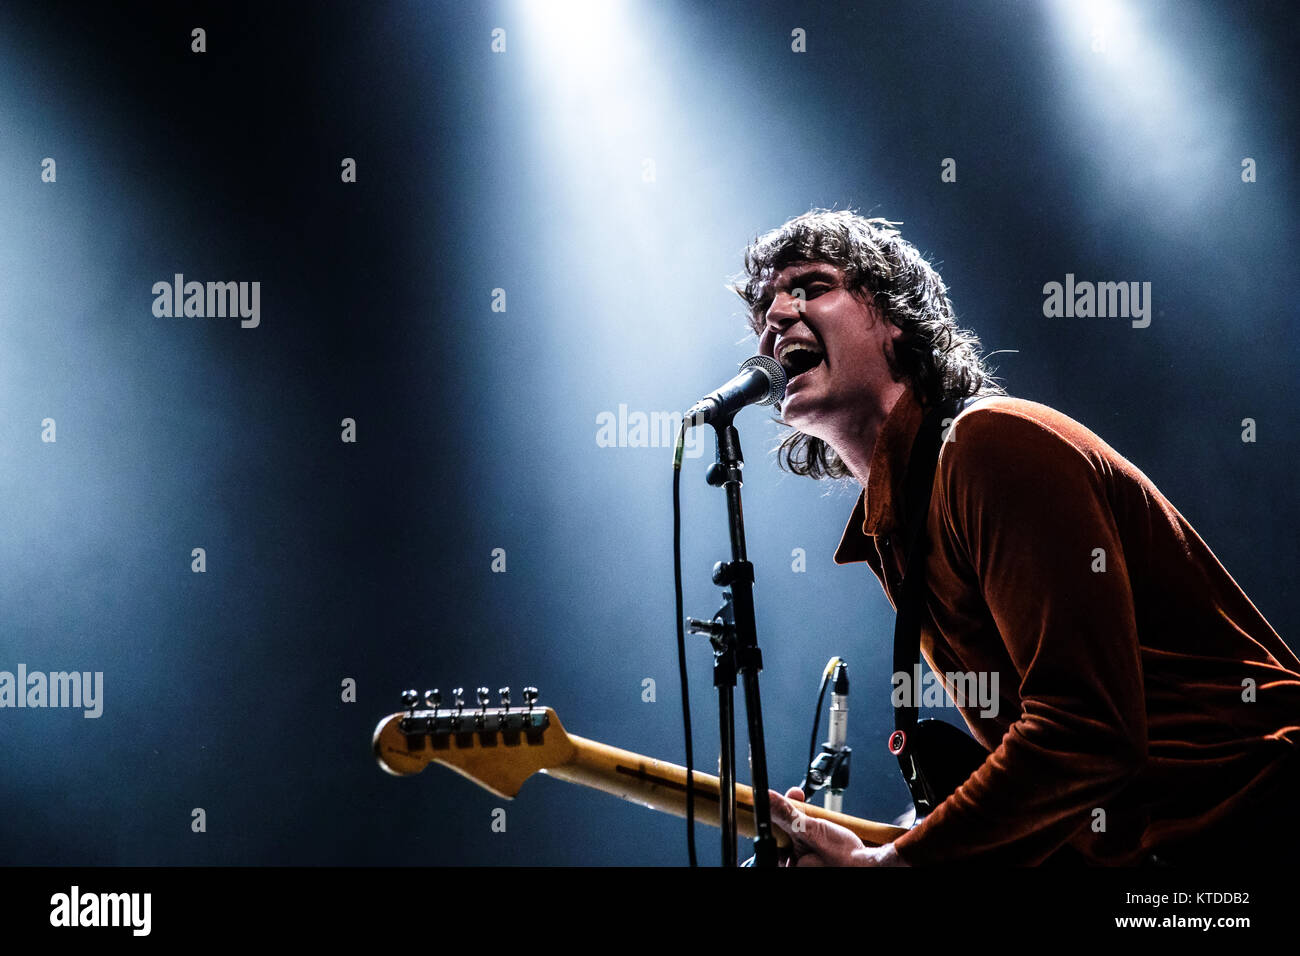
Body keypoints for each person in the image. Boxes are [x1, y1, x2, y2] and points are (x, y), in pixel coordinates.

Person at [731, 209, 1300, 866]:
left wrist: (900, 864)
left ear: (893, 318)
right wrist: (874, 846)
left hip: (1260, 814)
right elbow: (1036, 761)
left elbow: (1087, 733)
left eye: (808, 287)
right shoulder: (894, 532)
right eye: (764, 311)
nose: (775, 319)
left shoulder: (990, 448)